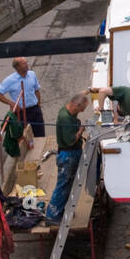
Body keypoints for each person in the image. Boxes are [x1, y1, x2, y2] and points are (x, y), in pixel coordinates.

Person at [44, 92, 91, 224]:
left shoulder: (69, 109)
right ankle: (52, 215)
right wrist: (81, 130)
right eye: (82, 109)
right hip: (68, 155)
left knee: (69, 184)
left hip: (72, 153)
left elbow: (79, 96)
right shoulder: (65, 119)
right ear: (76, 105)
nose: (82, 111)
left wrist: (88, 91)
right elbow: (70, 141)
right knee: (63, 185)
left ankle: (60, 210)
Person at [0, 57, 44, 136]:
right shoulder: (10, 80)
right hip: (21, 112)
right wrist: (11, 103)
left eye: (26, 62)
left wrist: (38, 105)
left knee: (40, 134)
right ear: (17, 67)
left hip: (35, 110)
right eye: (24, 63)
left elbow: (36, 90)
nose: (27, 65)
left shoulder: (32, 74)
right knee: (24, 137)